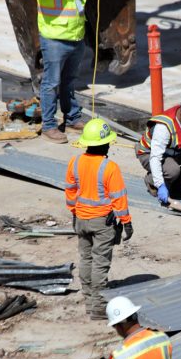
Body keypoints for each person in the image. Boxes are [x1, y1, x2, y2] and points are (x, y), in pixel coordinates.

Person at [33, 0, 108, 144]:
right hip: (55, 39)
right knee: (51, 82)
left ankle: (72, 117)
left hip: (76, 37)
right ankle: (48, 125)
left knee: (69, 81)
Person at [65, 118, 133, 320]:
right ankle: (99, 306)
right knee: (100, 263)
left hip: (81, 219)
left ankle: (88, 300)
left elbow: (70, 190)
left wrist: (74, 212)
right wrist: (126, 221)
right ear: (104, 144)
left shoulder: (75, 162)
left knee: (85, 259)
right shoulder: (109, 167)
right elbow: (118, 197)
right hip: (102, 222)